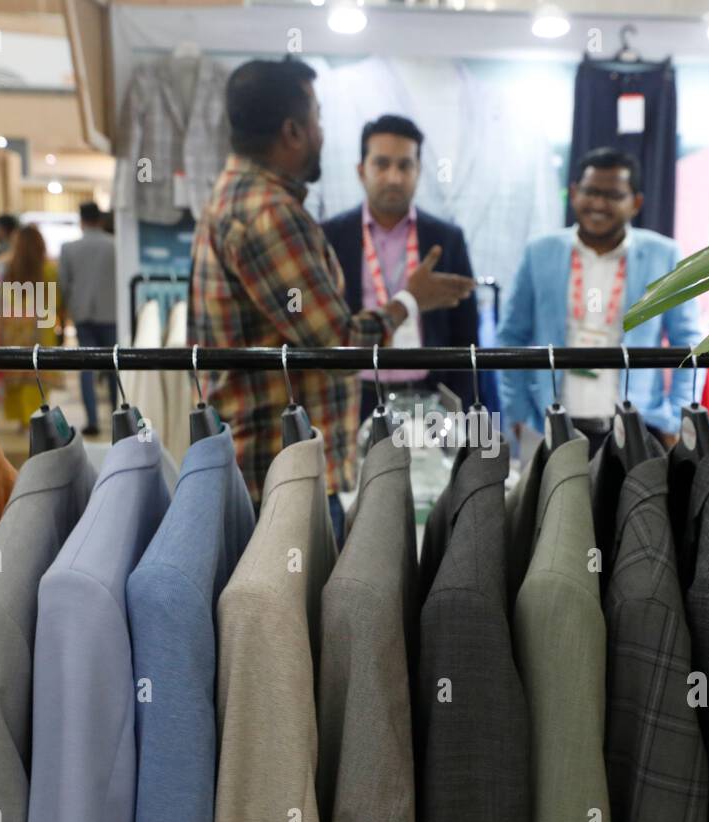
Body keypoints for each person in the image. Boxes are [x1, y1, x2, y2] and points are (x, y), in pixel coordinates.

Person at [189, 58, 474, 544]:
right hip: (282, 470)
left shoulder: (237, 196)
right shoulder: (271, 217)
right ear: (293, 131)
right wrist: (410, 299)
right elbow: (338, 347)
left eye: (405, 164)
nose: (322, 132)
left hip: (281, 458)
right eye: (318, 118)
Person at [496, 147, 703, 457]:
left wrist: (676, 417)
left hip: (639, 426)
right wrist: (518, 413)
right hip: (549, 423)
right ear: (574, 193)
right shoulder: (539, 253)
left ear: (636, 203)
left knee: (636, 506)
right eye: (590, 192)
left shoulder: (664, 256)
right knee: (550, 506)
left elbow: (689, 342)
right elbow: (510, 337)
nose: (599, 204)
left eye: (613, 195)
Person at [321, 114, 479, 421]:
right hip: (354, 395)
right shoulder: (330, 237)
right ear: (360, 170)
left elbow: (466, 334)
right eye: (381, 164)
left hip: (427, 396)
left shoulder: (446, 238)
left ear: (418, 171)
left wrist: (463, 412)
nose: (394, 177)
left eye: (405, 165)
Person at [0, 225, 59, 429]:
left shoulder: (3, 267)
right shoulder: (49, 270)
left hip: (12, 329)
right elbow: (57, 301)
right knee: (38, 376)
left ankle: (22, 420)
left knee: (16, 375)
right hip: (40, 329)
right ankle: (36, 418)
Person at [59, 202, 118, 436]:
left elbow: (64, 284)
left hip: (83, 314)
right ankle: (117, 416)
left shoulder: (69, 248)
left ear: (81, 220)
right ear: (101, 220)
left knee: (87, 367)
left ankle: (92, 420)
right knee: (113, 365)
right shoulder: (115, 246)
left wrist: (68, 310)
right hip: (111, 313)